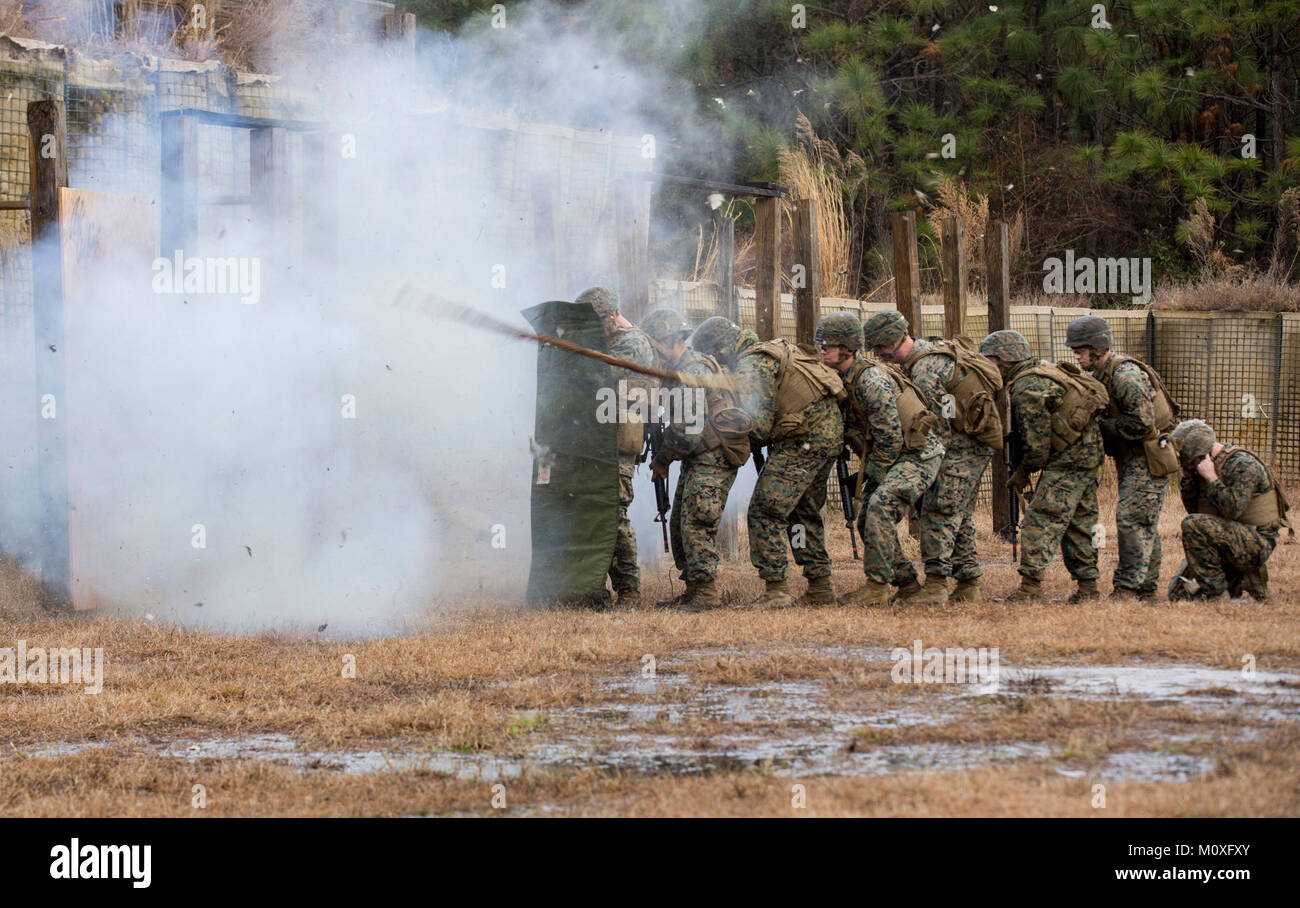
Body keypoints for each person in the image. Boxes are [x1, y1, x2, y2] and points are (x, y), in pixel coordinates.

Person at [693, 318, 845, 608]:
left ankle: (776, 591)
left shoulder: (752, 365)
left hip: (802, 442)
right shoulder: (772, 349)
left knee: (765, 512)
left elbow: (759, 426)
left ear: (722, 348)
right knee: (804, 511)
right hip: (824, 438)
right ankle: (820, 587)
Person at [860, 309, 1000, 605]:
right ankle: (968, 584)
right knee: (956, 512)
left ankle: (936, 585)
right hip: (968, 443)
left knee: (940, 508)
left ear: (895, 340)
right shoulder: (923, 358)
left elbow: (937, 425)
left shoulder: (925, 369)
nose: (879, 355)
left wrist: (929, 466)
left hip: (960, 446)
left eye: (881, 348)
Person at [815, 312, 943, 608]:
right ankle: (907, 584)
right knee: (865, 518)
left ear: (848, 347)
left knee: (879, 507)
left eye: (829, 345)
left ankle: (876, 587)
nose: (823, 349)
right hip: (897, 456)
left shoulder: (870, 380)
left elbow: (889, 434)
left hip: (917, 455)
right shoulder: (845, 377)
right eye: (821, 344)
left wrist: (875, 474)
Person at [980, 330, 1109, 603]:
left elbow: (1036, 446)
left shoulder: (1027, 386)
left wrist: (1022, 472)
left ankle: (1030, 589)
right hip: (1087, 459)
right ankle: (1088, 589)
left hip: (1067, 463)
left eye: (989, 360)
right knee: (1080, 524)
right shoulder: (1047, 371)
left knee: (1039, 521)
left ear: (1002, 360)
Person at [640, 309, 750, 611]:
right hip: (700, 456)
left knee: (696, 522)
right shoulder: (682, 369)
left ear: (667, 341)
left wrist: (662, 460)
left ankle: (706, 593)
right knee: (680, 522)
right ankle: (693, 589)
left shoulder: (692, 370)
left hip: (712, 455)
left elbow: (687, 431)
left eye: (654, 346)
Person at [1067, 315, 1180, 600]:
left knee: (1131, 520)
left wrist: (1101, 426)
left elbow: (1142, 423)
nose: (1076, 356)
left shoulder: (1125, 375)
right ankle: (1145, 588)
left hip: (1148, 456)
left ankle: (1128, 588)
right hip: (1133, 457)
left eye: (1079, 350)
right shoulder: (1103, 375)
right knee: (1144, 524)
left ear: (1097, 347)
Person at [576, 286, 658, 606]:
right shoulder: (606, 341)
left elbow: (600, 376)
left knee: (613, 514)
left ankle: (629, 590)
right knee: (596, 512)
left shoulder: (632, 343)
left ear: (611, 316)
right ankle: (596, 587)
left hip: (619, 439)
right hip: (599, 440)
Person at [1169, 419, 1289, 601]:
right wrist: (1187, 480)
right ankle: (1240, 579)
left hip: (1255, 543)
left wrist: (1212, 478)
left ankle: (1218, 593)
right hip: (1226, 540)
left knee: (1192, 525)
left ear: (1201, 454)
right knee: (1178, 594)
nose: (1188, 467)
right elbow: (1196, 511)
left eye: (1189, 463)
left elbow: (1232, 509)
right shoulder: (1201, 467)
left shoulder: (1242, 465)